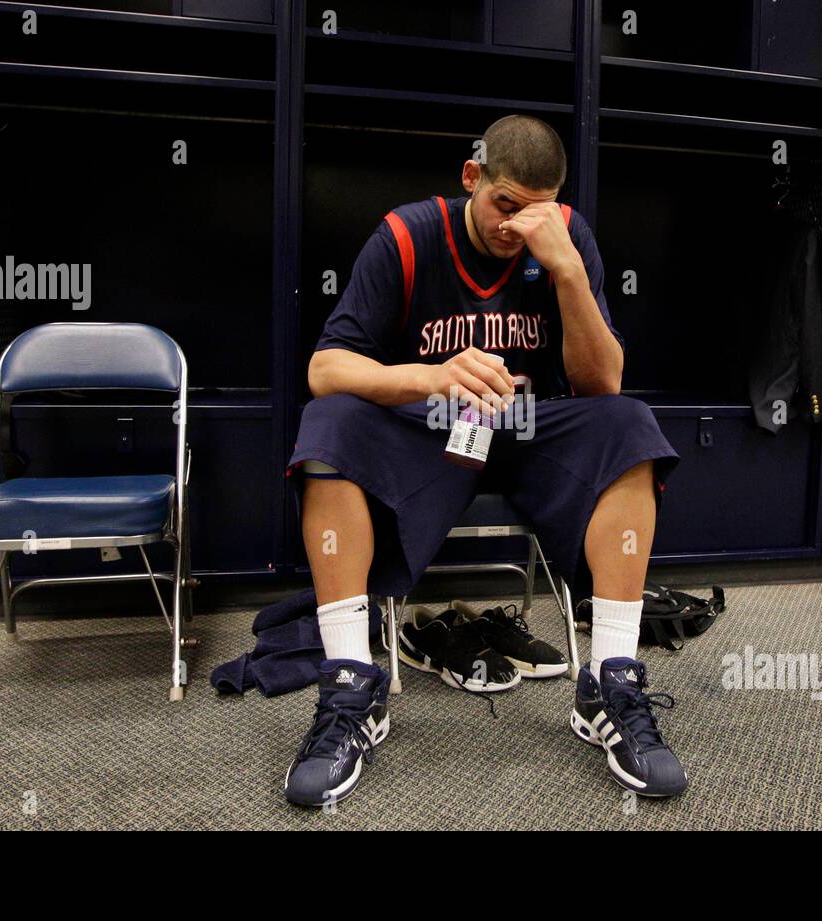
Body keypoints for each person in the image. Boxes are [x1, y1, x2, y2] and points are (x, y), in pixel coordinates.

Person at [283, 114, 685, 807]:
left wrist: (565, 271)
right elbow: (325, 367)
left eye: (537, 211)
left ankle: (610, 681)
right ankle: (351, 686)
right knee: (328, 424)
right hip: (438, 426)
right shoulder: (408, 236)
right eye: (505, 205)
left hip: (531, 429)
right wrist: (430, 375)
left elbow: (602, 384)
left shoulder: (566, 237)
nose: (516, 227)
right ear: (473, 178)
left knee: (630, 423)